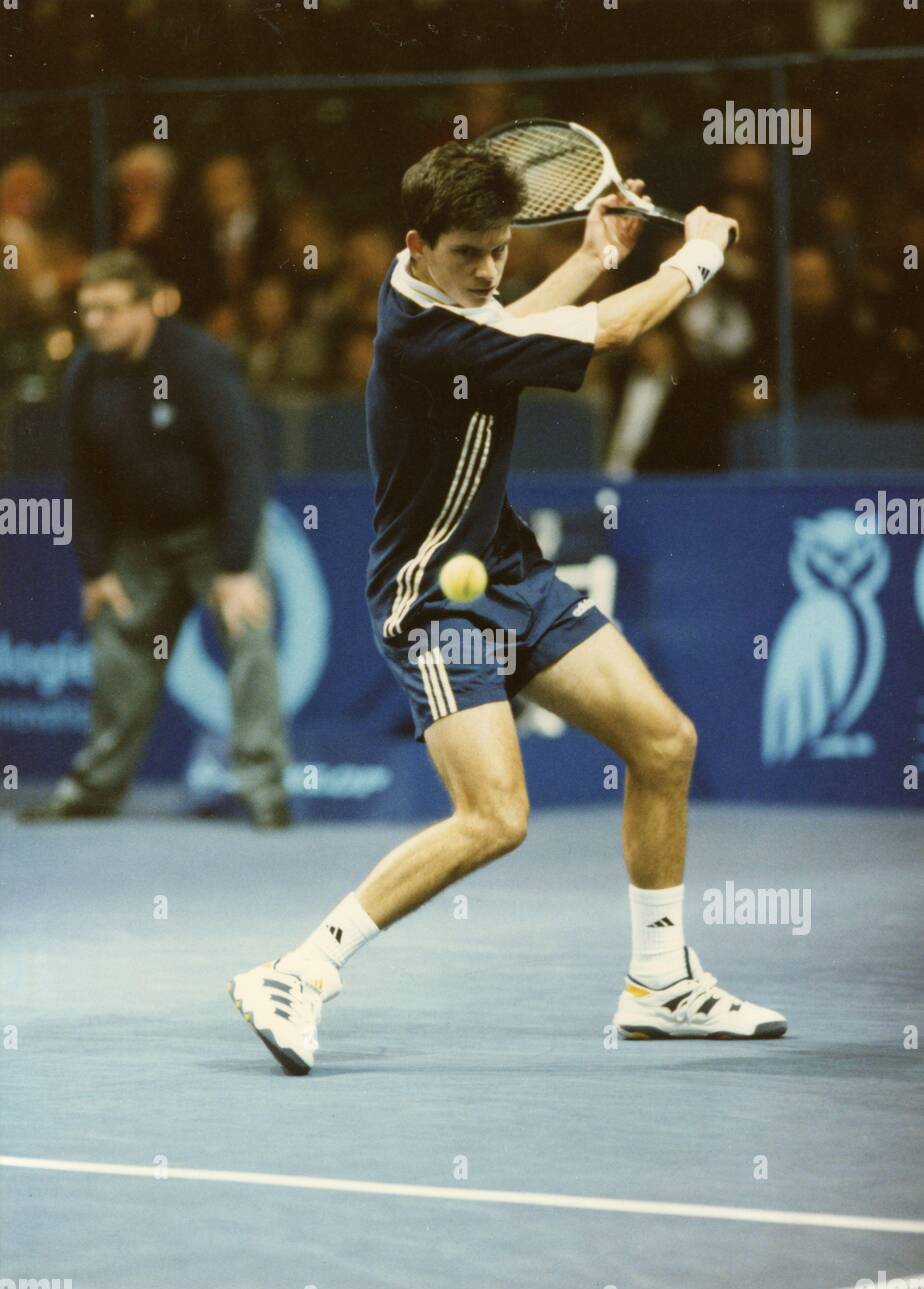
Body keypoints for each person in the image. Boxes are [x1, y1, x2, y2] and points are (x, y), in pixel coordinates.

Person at [230, 141, 786, 1073]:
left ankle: (660, 984)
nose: (490, 270)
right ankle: (297, 972)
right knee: (495, 818)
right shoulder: (420, 333)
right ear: (417, 244)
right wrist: (693, 258)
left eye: (500, 249)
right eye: (471, 255)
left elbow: (511, 326)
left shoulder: (447, 302)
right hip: (434, 600)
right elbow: (603, 334)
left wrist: (593, 250)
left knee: (664, 743)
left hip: (510, 573)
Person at [19, 250, 291, 829]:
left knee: (248, 639)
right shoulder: (87, 373)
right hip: (139, 545)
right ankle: (94, 790)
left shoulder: (199, 362)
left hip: (214, 537)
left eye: (109, 310)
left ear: (148, 307)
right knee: (118, 648)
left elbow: (242, 464)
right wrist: (96, 570)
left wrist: (237, 567)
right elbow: (83, 479)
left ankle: (264, 791)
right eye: (87, 309)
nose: (93, 323)